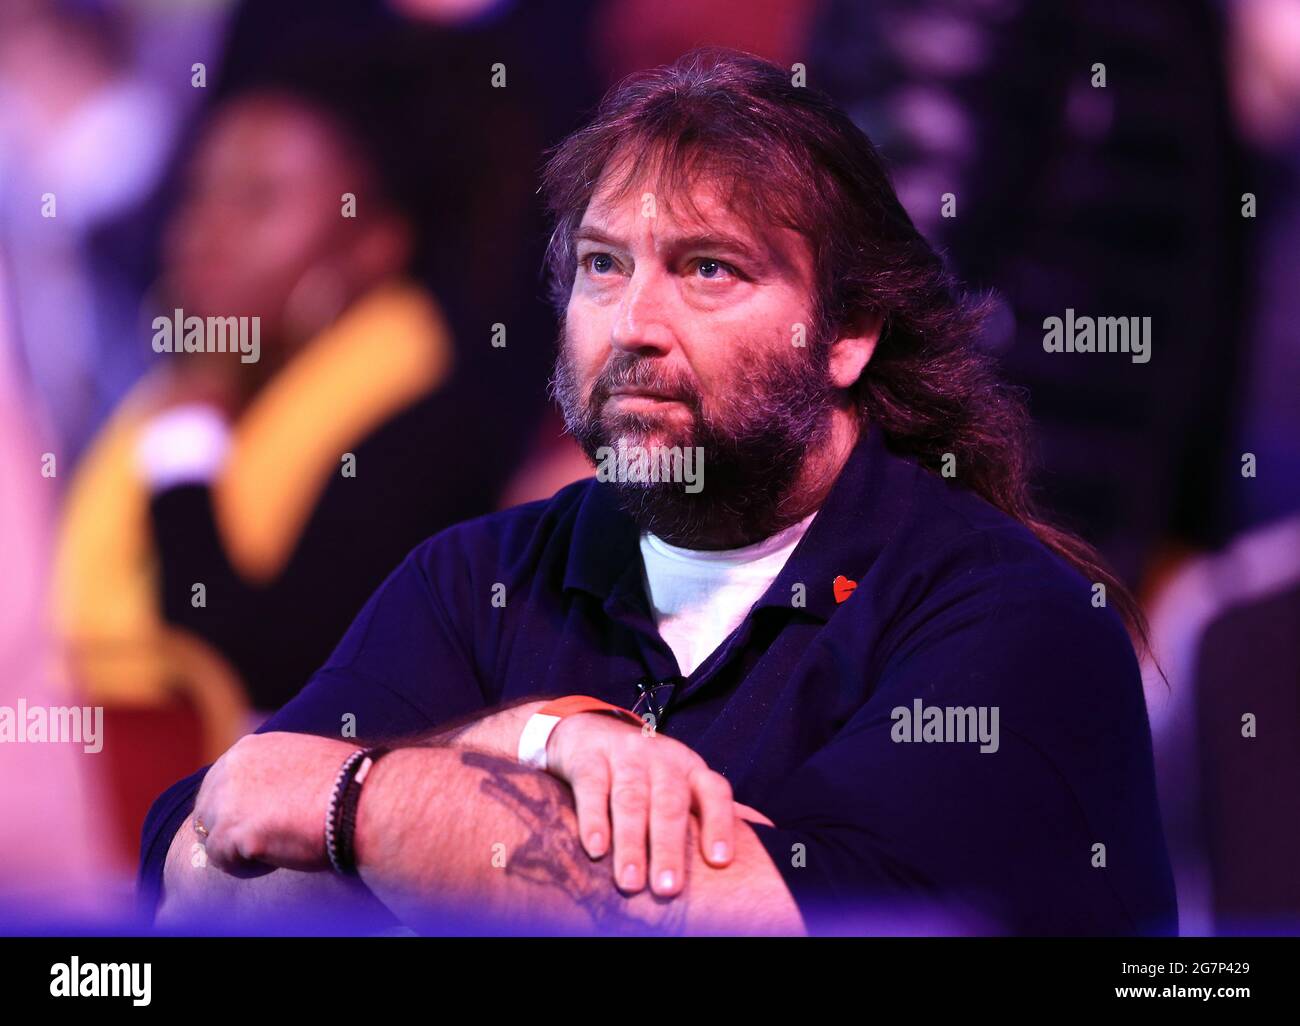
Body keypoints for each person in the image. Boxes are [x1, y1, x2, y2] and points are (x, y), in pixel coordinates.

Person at [140, 49, 1177, 937]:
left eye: (709, 269)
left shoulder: (1011, 617)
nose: (633, 323)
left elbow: (756, 917)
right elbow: (191, 875)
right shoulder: (479, 577)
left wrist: (353, 798)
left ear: (849, 335)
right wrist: (517, 742)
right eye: (602, 265)